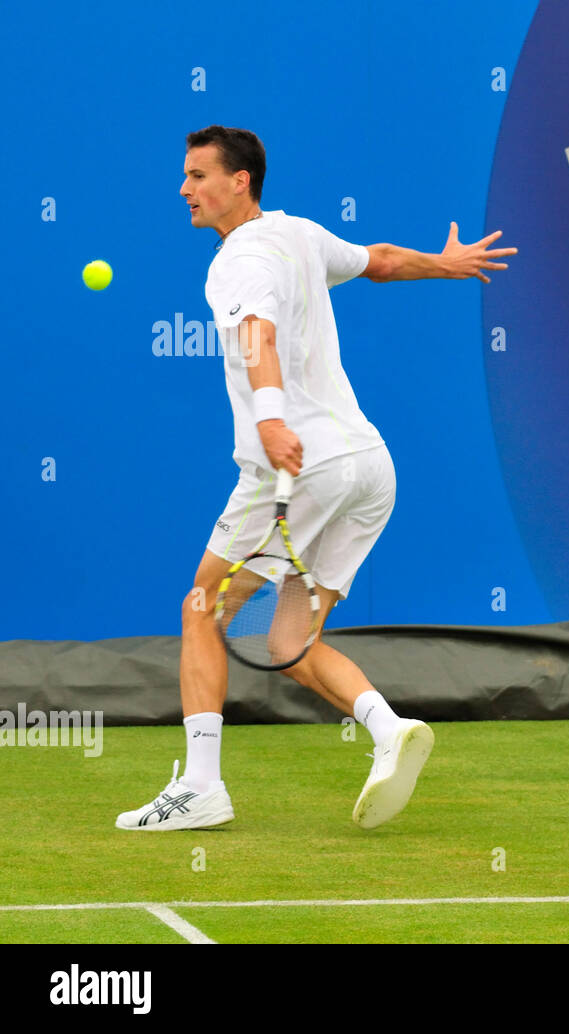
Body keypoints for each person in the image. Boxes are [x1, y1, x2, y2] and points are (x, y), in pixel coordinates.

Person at [116, 125, 517, 831]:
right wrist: (446, 264)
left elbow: (257, 337)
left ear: (240, 181)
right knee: (287, 644)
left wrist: (271, 420)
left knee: (201, 606)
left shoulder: (237, 262)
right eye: (185, 176)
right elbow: (383, 261)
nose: (185, 189)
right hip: (369, 468)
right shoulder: (299, 233)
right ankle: (390, 732)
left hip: (301, 465)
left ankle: (203, 787)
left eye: (198, 176)